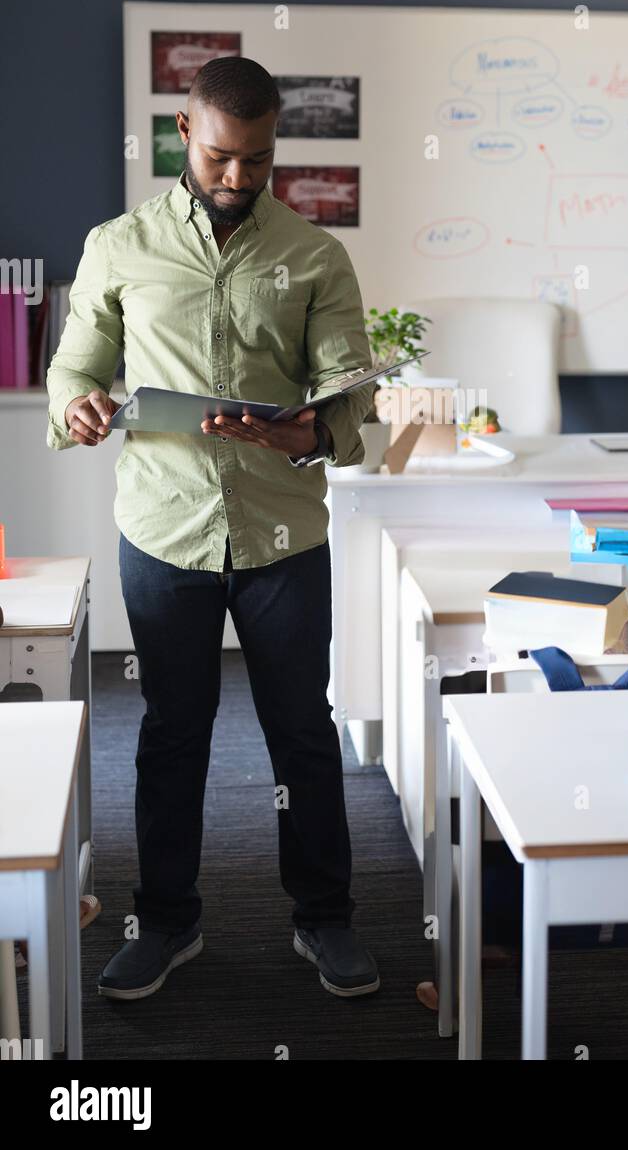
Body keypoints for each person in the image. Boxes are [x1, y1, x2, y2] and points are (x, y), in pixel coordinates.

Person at [46, 55, 379, 1000]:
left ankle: (326, 921)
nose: (239, 177)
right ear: (184, 131)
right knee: (171, 732)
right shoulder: (118, 246)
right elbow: (75, 370)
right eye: (224, 156)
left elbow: (352, 406)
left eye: (260, 160)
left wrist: (307, 428)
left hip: (283, 538)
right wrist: (75, 407)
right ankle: (166, 925)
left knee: (302, 734)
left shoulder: (317, 257)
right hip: (163, 532)